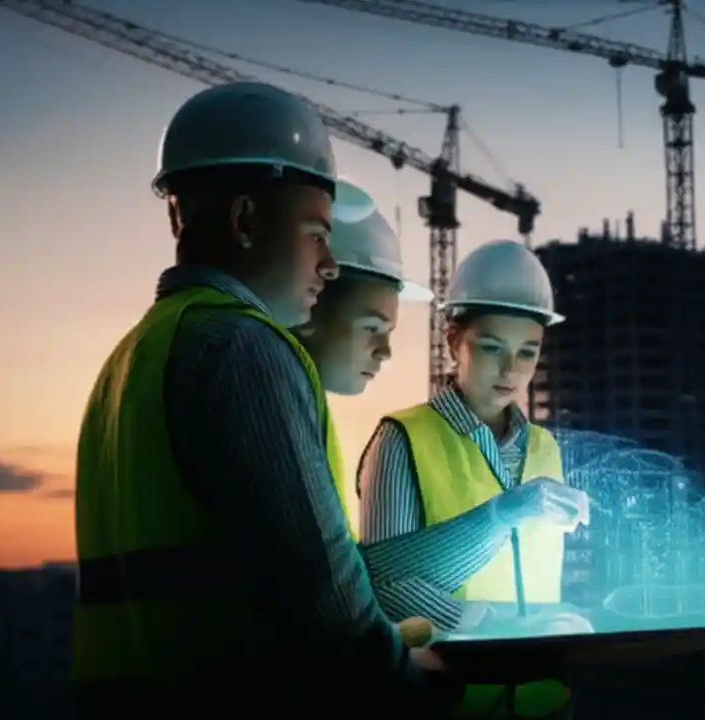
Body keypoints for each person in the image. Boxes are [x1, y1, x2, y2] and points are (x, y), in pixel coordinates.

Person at [72, 81, 451, 717]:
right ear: (246, 220)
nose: (330, 265)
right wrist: (416, 692)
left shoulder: (133, 358)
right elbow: (328, 607)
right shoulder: (243, 350)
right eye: (316, 233)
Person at [357, 239, 592, 719]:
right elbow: (383, 584)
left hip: (542, 699)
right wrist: (484, 623)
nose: (511, 370)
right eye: (491, 348)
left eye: (527, 353)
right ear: (452, 342)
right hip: (448, 701)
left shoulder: (545, 448)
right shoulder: (403, 439)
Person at [294, 178, 433, 540]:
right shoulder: (271, 407)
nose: (385, 352)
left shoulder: (304, 409)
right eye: (372, 327)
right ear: (311, 305)